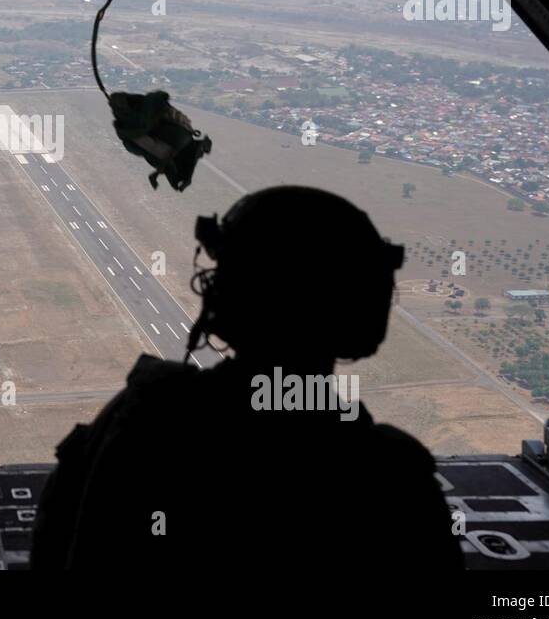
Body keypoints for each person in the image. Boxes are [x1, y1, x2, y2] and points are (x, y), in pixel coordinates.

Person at [31, 186, 463, 571]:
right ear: (364, 315)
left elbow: (55, 544)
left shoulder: (144, 415)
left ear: (221, 297)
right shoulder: (391, 475)